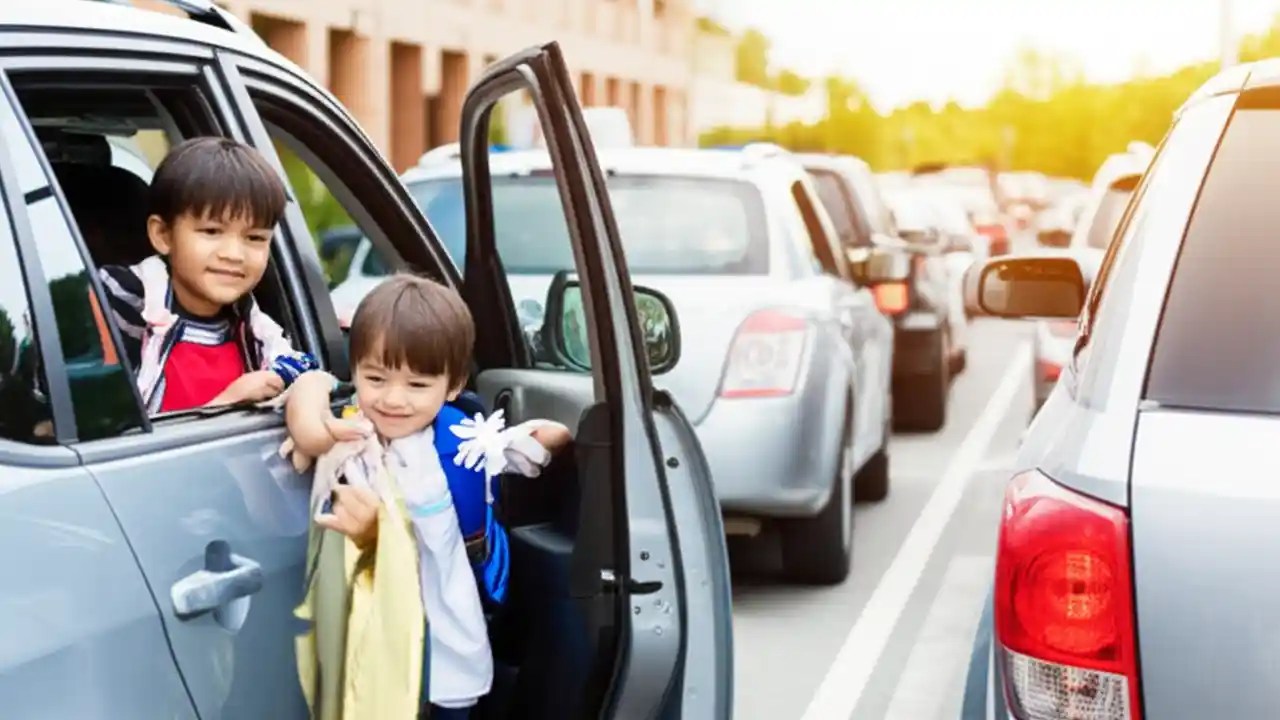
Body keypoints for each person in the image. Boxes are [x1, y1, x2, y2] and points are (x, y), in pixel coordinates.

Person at [283, 274, 571, 718]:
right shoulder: (348, 441)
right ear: (354, 370)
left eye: (417, 385)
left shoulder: (464, 442)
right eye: (375, 378)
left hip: (449, 638)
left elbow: (533, 445)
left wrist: (549, 438)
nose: (394, 399)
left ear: (453, 385)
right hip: (378, 637)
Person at [95, 136, 317, 414]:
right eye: (212, 231)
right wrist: (224, 404)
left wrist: (277, 378)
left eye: (255, 238)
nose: (234, 254)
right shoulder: (127, 299)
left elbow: (303, 363)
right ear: (163, 235)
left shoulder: (247, 317)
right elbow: (99, 423)